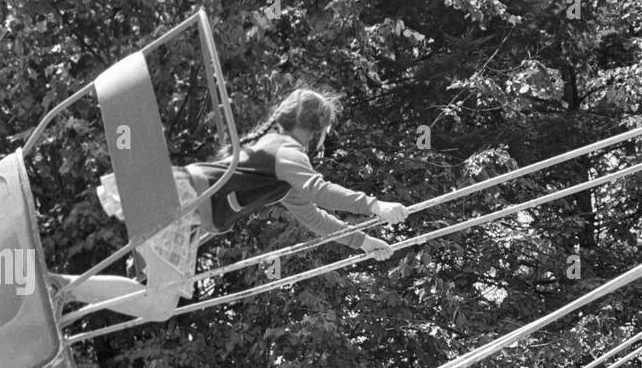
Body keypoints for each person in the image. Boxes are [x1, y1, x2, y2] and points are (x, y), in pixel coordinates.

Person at [54, 87, 410, 320]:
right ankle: (63, 289)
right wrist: (376, 206)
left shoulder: (277, 157)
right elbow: (319, 190)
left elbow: (314, 217)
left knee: (158, 303)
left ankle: (64, 290)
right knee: (158, 303)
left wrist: (363, 241)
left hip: (182, 204)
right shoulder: (287, 151)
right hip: (181, 201)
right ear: (317, 132)